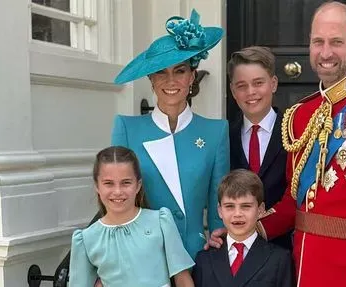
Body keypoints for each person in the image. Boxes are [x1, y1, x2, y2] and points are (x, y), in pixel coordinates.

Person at [209, 2, 346, 287]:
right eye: (318, 42)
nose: (326, 53)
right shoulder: (300, 115)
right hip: (301, 270)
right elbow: (293, 203)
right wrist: (248, 229)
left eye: (336, 42)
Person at [111, 9, 229, 260]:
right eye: (161, 72)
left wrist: (218, 244)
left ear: (192, 77)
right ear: (151, 80)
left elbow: (220, 209)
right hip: (142, 259)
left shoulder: (216, 132)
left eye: (180, 70)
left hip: (195, 257)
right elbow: (115, 201)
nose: (170, 80)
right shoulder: (126, 129)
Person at [69, 146, 195, 287]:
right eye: (109, 183)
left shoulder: (160, 222)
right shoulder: (87, 239)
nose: (117, 191)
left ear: (138, 185)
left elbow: (183, 280)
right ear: (97, 187)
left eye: (126, 183)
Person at [227, 46, 292, 250]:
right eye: (242, 85)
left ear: (273, 84)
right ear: (232, 91)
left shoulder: (294, 131)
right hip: (237, 249)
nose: (251, 92)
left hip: (284, 247)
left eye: (258, 83)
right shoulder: (225, 136)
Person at [192, 169, 293, 287]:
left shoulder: (279, 259)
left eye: (246, 206)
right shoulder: (204, 260)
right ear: (220, 211)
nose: (237, 214)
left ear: (260, 210)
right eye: (229, 206)